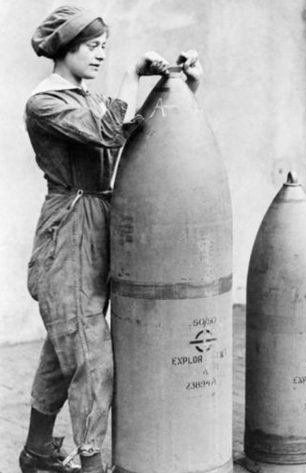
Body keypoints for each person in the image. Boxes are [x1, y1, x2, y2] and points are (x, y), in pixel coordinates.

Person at [21, 5, 203, 473]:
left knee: (66, 348)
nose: (100, 55)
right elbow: (109, 133)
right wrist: (130, 75)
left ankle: (36, 453)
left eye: (105, 47)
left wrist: (183, 86)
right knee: (90, 357)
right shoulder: (46, 103)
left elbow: (136, 136)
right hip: (69, 231)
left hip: (99, 221)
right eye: (92, 46)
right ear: (65, 48)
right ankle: (92, 464)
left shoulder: (88, 97)